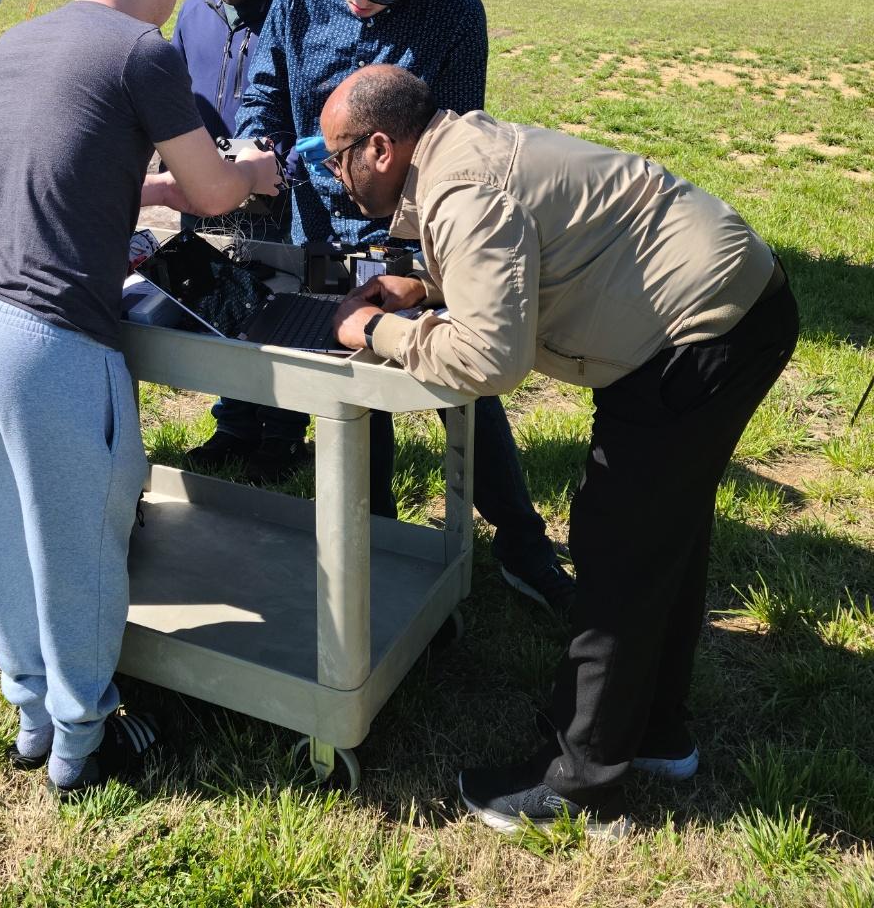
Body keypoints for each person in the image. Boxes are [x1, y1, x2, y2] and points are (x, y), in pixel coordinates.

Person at [323, 65, 798, 836]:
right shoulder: (457, 152)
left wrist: (375, 330)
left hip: (702, 331)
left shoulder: (460, 189)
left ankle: (580, 783)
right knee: (659, 534)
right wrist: (429, 289)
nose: (334, 174)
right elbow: (510, 257)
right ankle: (653, 732)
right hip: (726, 307)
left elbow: (490, 359)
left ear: (380, 147)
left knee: (619, 547)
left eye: (337, 156)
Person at [0, 0, 281, 800]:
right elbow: (211, 192)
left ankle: (30, 716)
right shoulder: (143, 49)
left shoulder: (18, 44)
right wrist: (252, 170)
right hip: (50, 344)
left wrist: (159, 188)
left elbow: (70, 173)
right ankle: (82, 745)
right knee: (81, 548)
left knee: (6, 538)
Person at [230, 0, 571, 616]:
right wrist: (260, 144)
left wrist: (409, 248)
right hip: (320, 222)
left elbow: (456, 137)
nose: (358, 4)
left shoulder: (454, 7)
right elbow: (266, 88)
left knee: (461, 382)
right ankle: (375, 544)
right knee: (352, 386)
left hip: (415, 225)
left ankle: (521, 545)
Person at [162, 0, 294, 472]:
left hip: (274, 190)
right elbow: (172, 90)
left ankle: (282, 436)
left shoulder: (293, 6)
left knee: (279, 308)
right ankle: (235, 425)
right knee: (219, 303)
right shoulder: (195, 8)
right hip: (203, 186)